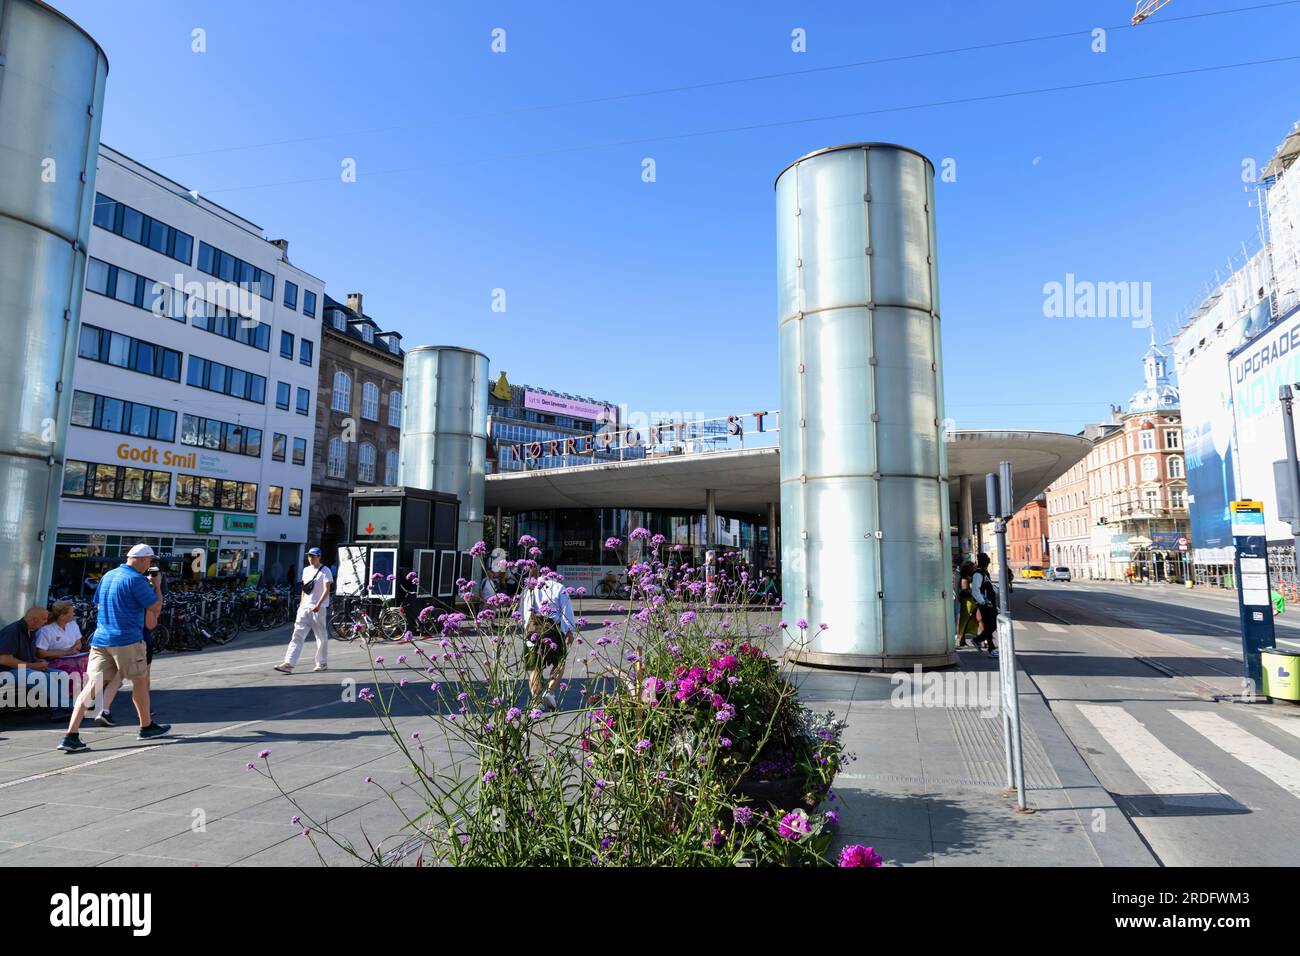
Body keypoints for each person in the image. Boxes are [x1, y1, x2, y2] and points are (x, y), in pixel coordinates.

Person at [59, 543, 168, 753]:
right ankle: (146, 726)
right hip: (127, 639)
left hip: (101, 639)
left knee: (91, 687)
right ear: (143, 559)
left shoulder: (109, 575)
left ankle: (70, 735)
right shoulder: (136, 580)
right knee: (140, 681)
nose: (150, 565)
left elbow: (99, 603)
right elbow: (155, 607)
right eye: (150, 561)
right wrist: (156, 586)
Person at [522, 572, 577, 711]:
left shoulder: (530, 588)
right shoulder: (559, 587)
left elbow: (525, 611)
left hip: (533, 631)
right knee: (560, 662)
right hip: (553, 630)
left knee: (535, 667)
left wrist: (526, 629)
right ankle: (550, 691)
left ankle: (536, 701)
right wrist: (569, 630)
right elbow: (566, 610)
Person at [0, 607, 67, 718]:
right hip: (6, 671)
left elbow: (26, 655)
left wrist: (37, 661)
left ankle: (60, 708)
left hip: (25, 668)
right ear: (32, 620)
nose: (46, 622)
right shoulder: (13, 631)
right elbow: (4, 659)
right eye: (44, 619)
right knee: (43, 677)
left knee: (61, 675)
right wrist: (34, 666)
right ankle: (64, 708)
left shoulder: (32, 631)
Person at [275, 548, 333, 674]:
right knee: (297, 635)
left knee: (320, 636)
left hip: (318, 608)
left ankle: (322, 662)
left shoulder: (325, 571)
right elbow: (304, 589)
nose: (310, 558)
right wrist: (301, 605)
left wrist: (318, 604)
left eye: (313, 556)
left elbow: (326, 589)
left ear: (319, 557)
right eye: (309, 556)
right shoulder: (306, 570)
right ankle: (289, 663)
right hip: (305, 607)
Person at [35, 602, 88, 683]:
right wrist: (67, 652)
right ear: (62, 616)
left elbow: (78, 643)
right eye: (71, 612)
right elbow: (41, 653)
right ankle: (70, 694)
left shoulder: (73, 624)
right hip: (54, 661)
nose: (73, 614)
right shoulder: (46, 630)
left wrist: (73, 651)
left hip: (74, 658)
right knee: (74, 673)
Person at [970, 553, 999, 656]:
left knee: (990, 626)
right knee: (990, 626)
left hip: (990, 604)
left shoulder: (984, 572)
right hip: (986, 605)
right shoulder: (978, 573)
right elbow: (975, 591)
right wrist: (983, 602)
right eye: (986, 559)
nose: (988, 561)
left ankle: (983, 643)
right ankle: (985, 645)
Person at [956, 561, 980, 649]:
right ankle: (961, 640)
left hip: (972, 602)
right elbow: (964, 591)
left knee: (973, 621)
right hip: (967, 603)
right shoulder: (965, 579)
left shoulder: (969, 577)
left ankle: (978, 639)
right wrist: (974, 592)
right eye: (973, 568)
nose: (974, 569)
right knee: (964, 622)